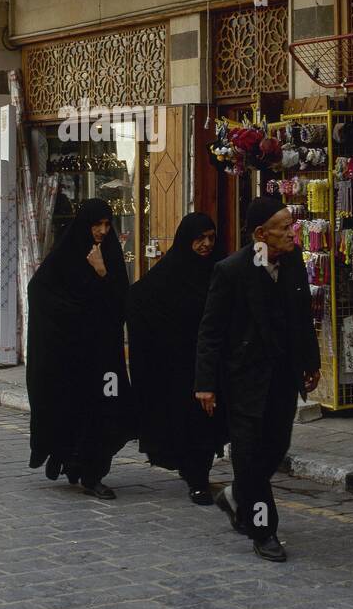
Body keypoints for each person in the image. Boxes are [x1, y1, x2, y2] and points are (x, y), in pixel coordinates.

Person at [194, 197, 320, 562]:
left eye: (292, 226)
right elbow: (211, 332)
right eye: (285, 228)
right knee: (249, 458)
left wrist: (311, 362)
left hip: (282, 377)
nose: (293, 233)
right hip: (244, 381)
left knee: (275, 447)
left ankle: (236, 496)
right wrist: (205, 384)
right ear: (261, 234)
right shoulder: (231, 271)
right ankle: (264, 530)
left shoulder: (293, 262)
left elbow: (302, 317)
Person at [26, 198, 133, 499]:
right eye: (97, 224)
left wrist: (102, 272)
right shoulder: (66, 254)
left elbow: (122, 301)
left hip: (104, 354)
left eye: (107, 224)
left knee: (108, 410)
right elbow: (39, 291)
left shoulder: (110, 254)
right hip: (72, 354)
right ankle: (73, 462)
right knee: (74, 409)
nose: (102, 231)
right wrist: (72, 321)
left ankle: (92, 472)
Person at [127, 213, 226, 504]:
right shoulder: (169, 271)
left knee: (206, 422)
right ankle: (196, 479)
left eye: (211, 237)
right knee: (187, 421)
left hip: (208, 362)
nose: (206, 244)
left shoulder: (219, 269)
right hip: (177, 364)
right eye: (199, 239)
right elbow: (138, 298)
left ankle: (198, 474)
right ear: (186, 240)